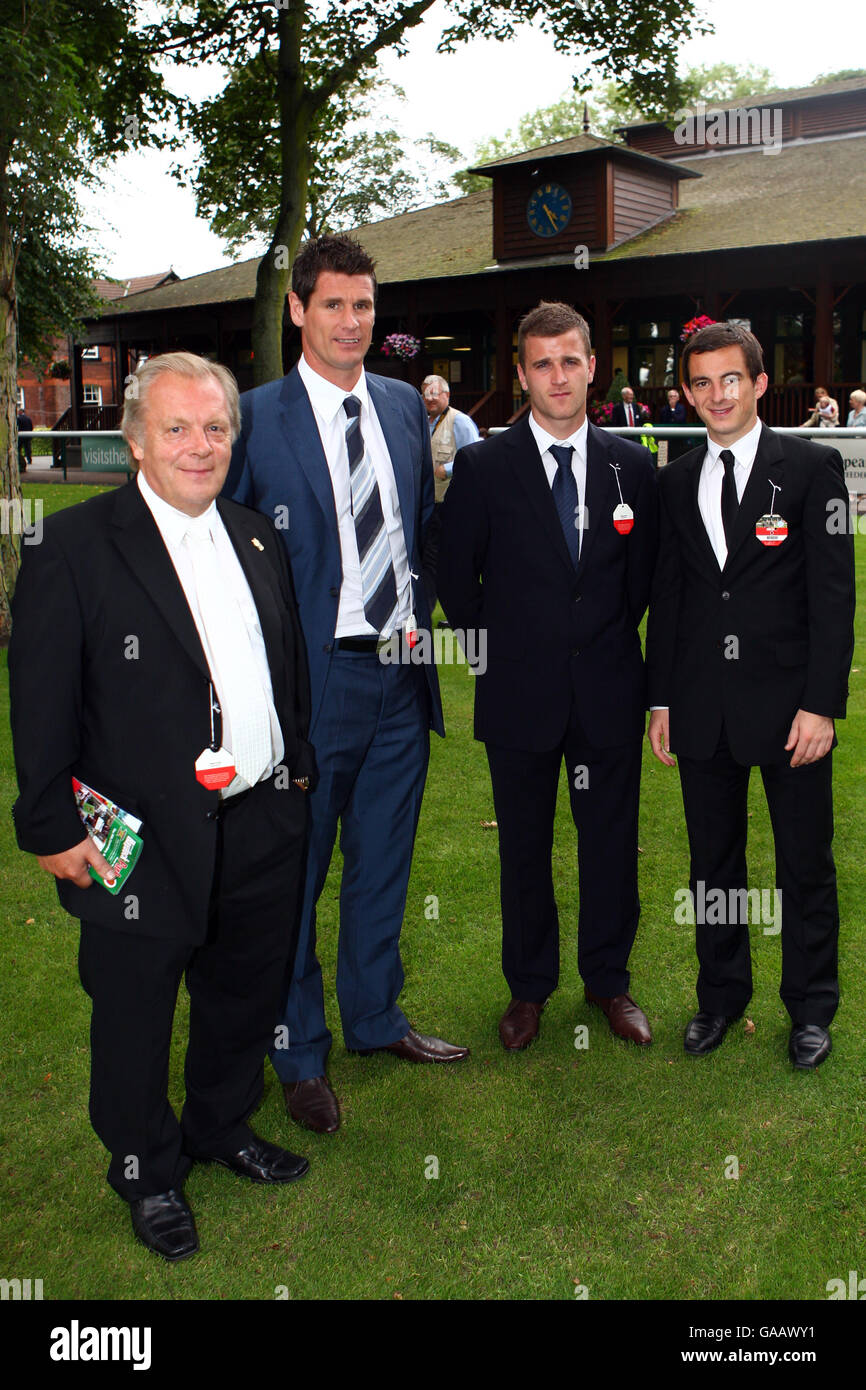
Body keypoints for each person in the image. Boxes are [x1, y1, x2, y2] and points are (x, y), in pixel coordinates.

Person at [9, 352, 316, 1262]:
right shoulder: (70, 546)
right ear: (136, 440)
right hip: (138, 836)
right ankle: (145, 1169)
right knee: (134, 1010)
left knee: (243, 993)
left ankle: (220, 1125)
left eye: (216, 427)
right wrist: (51, 826)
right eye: (176, 427)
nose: (199, 445)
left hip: (262, 819)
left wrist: (294, 771)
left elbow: (284, 669)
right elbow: (40, 700)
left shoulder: (256, 535)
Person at [226, 234, 467, 1138]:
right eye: (333, 303)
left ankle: (374, 1018)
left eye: (363, 305)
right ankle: (297, 1051)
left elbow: (421, 527)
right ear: (298, 309)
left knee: (383, 861)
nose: (351, 321)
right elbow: (229, 552)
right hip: (311, 683)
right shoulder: (255, 417)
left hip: (401, 672)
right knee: (299, 872)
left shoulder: (403, 405)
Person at [438, 301, 658, 1052]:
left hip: (608, 691)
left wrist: (599, 643)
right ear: (522, 374)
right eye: (542, 363)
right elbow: (455, 576)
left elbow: (641, 583)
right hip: (518, 695)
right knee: (524, 849)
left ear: (592, 367)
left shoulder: (633, 466)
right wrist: (500, 652)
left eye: (570, 361)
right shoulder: (483, 467)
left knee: (610, 843)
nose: (557, 376)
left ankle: (608, 981)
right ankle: (528, 988)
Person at [647, 322, 855, 1069]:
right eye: (701, 382)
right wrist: (661, 700)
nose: (717, 395)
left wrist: (822, 704)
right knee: (714, 865)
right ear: (687, 392)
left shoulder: (812, 468)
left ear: (759, 383)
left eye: (730, 379)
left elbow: (834, 595)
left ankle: (811, 1007)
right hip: (702, 707)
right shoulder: (674, 481)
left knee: (804, 862)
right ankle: (721, 996)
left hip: (792, 708)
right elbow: (670, 596)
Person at [420, 373, 481, 612]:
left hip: (453, 505)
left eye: (435, 393)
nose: (430, 398)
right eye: (426, 394)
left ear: (447, 395)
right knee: (431, 559)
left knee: (456, 559)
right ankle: (428, 610)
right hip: (429, 504)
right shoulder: (423, 422)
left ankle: (458, 608)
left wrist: (446, 469)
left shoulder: (460, 421)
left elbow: (475, 457)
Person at [658, 387, 690, 463]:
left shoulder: (682, 408)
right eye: (670, 396)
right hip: (668, 437)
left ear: (678, 398)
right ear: (668, 398)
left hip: (680, 437)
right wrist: (670, 410)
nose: (672, 398)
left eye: (674, 396)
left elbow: (680, 419)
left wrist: (672, 410)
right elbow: (663, 421)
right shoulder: (664, 409)